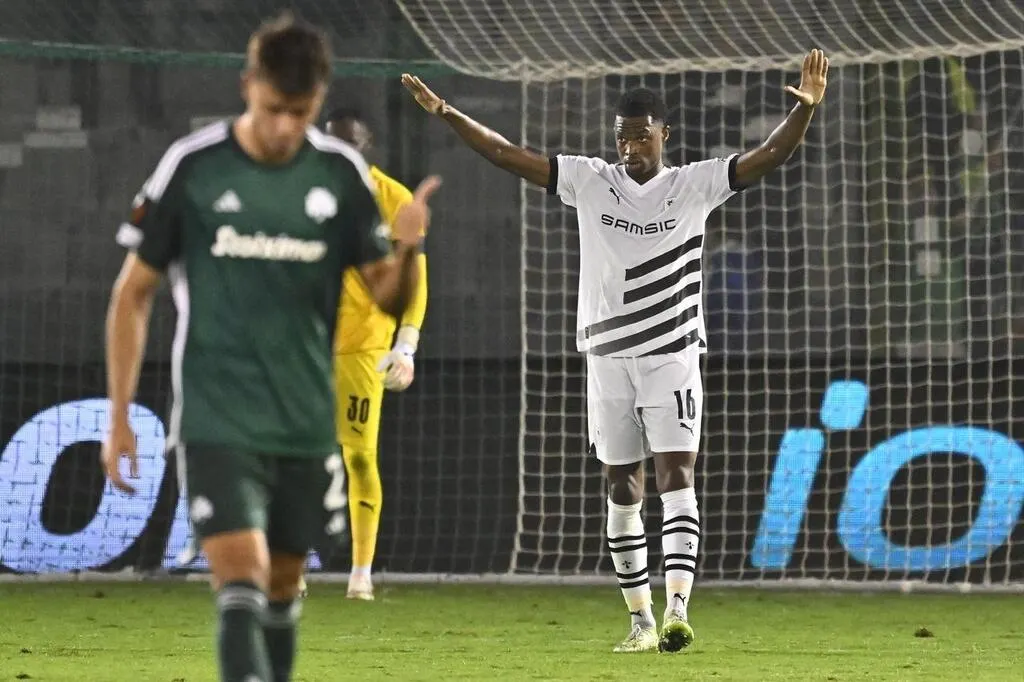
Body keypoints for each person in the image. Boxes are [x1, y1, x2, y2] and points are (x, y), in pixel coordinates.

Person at [401, 49, 828, 653]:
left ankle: (678, 608)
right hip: (607, 361)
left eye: (641, 137)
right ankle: (640, 620)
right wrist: (447, 113)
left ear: (664, 134)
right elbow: (507, 154)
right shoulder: (588, 179)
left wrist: (804, 111)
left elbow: (767, 157)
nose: (630, 148)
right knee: (622, 487)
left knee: (677, 477)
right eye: (623, 138)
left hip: (672, 355)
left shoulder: (694, 184)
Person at [102, 14, 439, 682]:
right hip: (216, 412)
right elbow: (132, 293)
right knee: (240, 581)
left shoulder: (343, 175)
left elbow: (386, 294)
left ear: (318, 99)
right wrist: (118, 414)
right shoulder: (192, 167)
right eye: (274, 109)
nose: (287, 127)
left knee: (283, 588)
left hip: (303, 415)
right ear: (247, 85)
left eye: (301, 111)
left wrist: (406, 250)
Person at [303, 107, 428, 601]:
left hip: (362, 351)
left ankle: (360, 572)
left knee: (357, 457)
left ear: (365, 148)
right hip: (306, 348)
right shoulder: (302, 194)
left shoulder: (392, 198)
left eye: (349, 145)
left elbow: (415, 277)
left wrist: (407, 343)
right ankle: (291, 569)